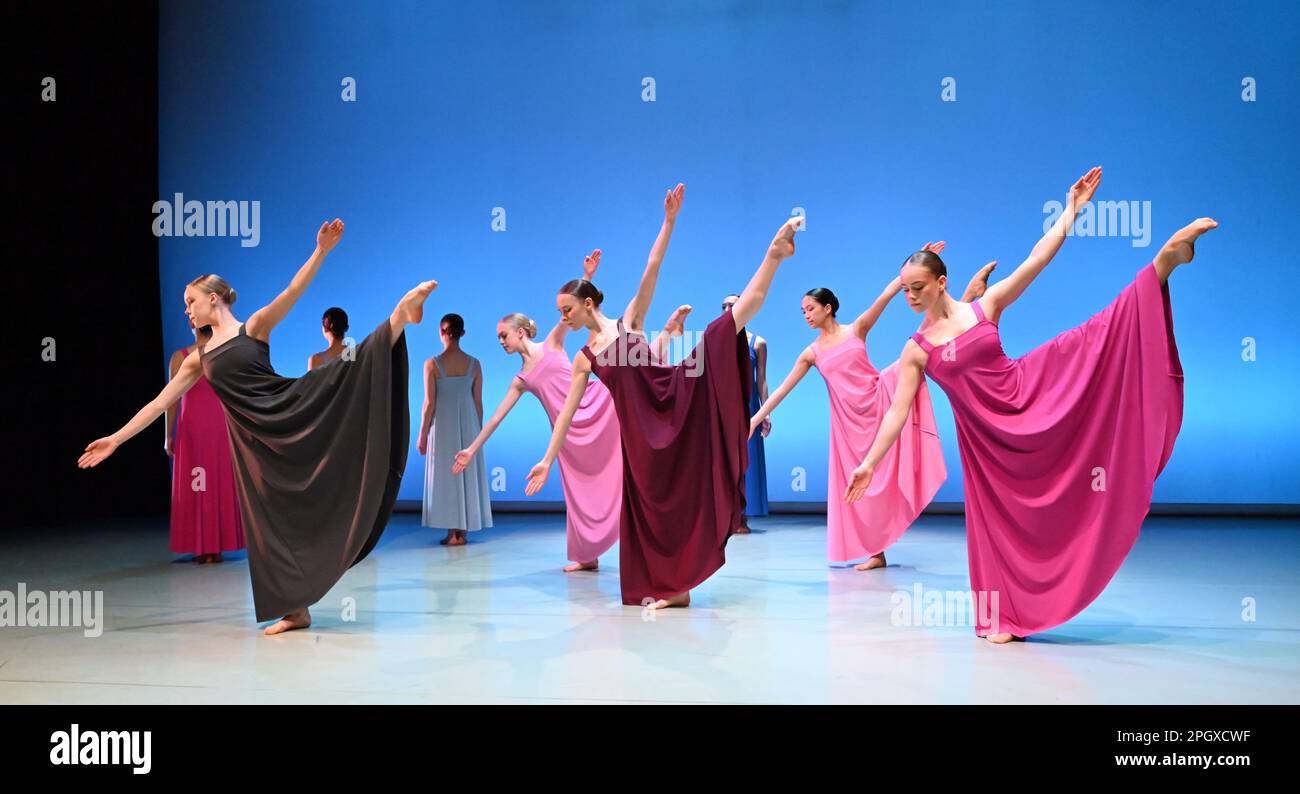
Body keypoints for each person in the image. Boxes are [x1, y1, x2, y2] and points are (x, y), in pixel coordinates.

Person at [79, 218, 437, 635]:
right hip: (254, 444)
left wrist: (321, 250)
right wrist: (116, 439)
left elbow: (293, 291)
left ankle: (397, 318)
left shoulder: (255, 327)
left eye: (190, 301)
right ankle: (295, 610)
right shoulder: (198, 357)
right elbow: (161, 401)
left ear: (213, 299)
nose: (187, 310)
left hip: (288, 410)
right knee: (269, 525)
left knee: (343, 374)